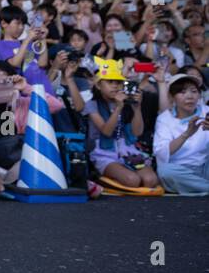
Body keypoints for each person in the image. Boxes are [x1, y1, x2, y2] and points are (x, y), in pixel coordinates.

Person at [74, 57, 160, 190]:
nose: (115, 85)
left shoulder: (127, 102)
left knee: (151, 180)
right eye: (110, 82)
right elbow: (106, 131)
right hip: (104, 152)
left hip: (128, 150)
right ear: (98, 85)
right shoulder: (92, 105)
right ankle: (99, 177)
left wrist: (137, 108)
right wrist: (118, 108)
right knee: (133, 181)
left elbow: (137, 132)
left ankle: (122, 174)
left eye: (118, 82)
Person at [152, 74, 209, 194]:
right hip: (180, 169)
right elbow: (161, 152)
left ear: (199, 95)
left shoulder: (206, 111)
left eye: (194, 91)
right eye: (182, 92)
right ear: (172, 97)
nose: (190, 96)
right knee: (164, 171)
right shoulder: (165, 119)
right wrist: (186, 134)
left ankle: (197, 187)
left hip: (205, 166)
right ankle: (203, 187)